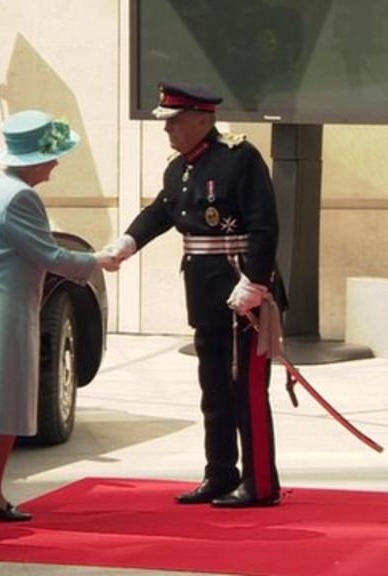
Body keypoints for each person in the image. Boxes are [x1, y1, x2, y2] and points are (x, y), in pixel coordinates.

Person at [106, 82, 284, 508]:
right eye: (166, 122)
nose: (168, 129)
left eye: (176, 121)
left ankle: (261, 484)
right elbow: (162, 211)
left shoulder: (240, 159)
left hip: (244, 291)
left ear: (204, 120)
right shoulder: (180, 168)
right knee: (214, 388)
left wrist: (256, 283)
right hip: (205, 294)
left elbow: (264, 225)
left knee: (247, 391)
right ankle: (220, 472)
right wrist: (127, 242)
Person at [0, 110, 117, 522]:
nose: (57, 164)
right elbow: (50, 255)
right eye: (53, 156)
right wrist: (98, 260)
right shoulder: (20, 197)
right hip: (4, 305)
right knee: (8, 398)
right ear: (33, 159)